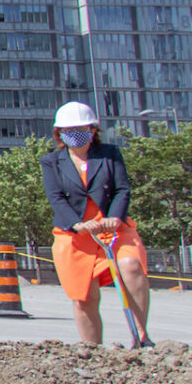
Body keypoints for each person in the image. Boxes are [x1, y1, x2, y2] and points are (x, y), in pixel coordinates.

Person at [41, 101, 152, 346]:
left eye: (81, 128)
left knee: (131, 266)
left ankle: (141, 337)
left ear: (93, 130)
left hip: (112, 229)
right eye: (68, 130)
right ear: (59, 133)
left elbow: (122, 188)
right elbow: (56, 197)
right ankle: (93, 351)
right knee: (83, 297)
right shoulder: (51, 162)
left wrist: (115, 217)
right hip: (76, 235)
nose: (75, 134)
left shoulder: (109, 154)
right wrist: (77, 224)